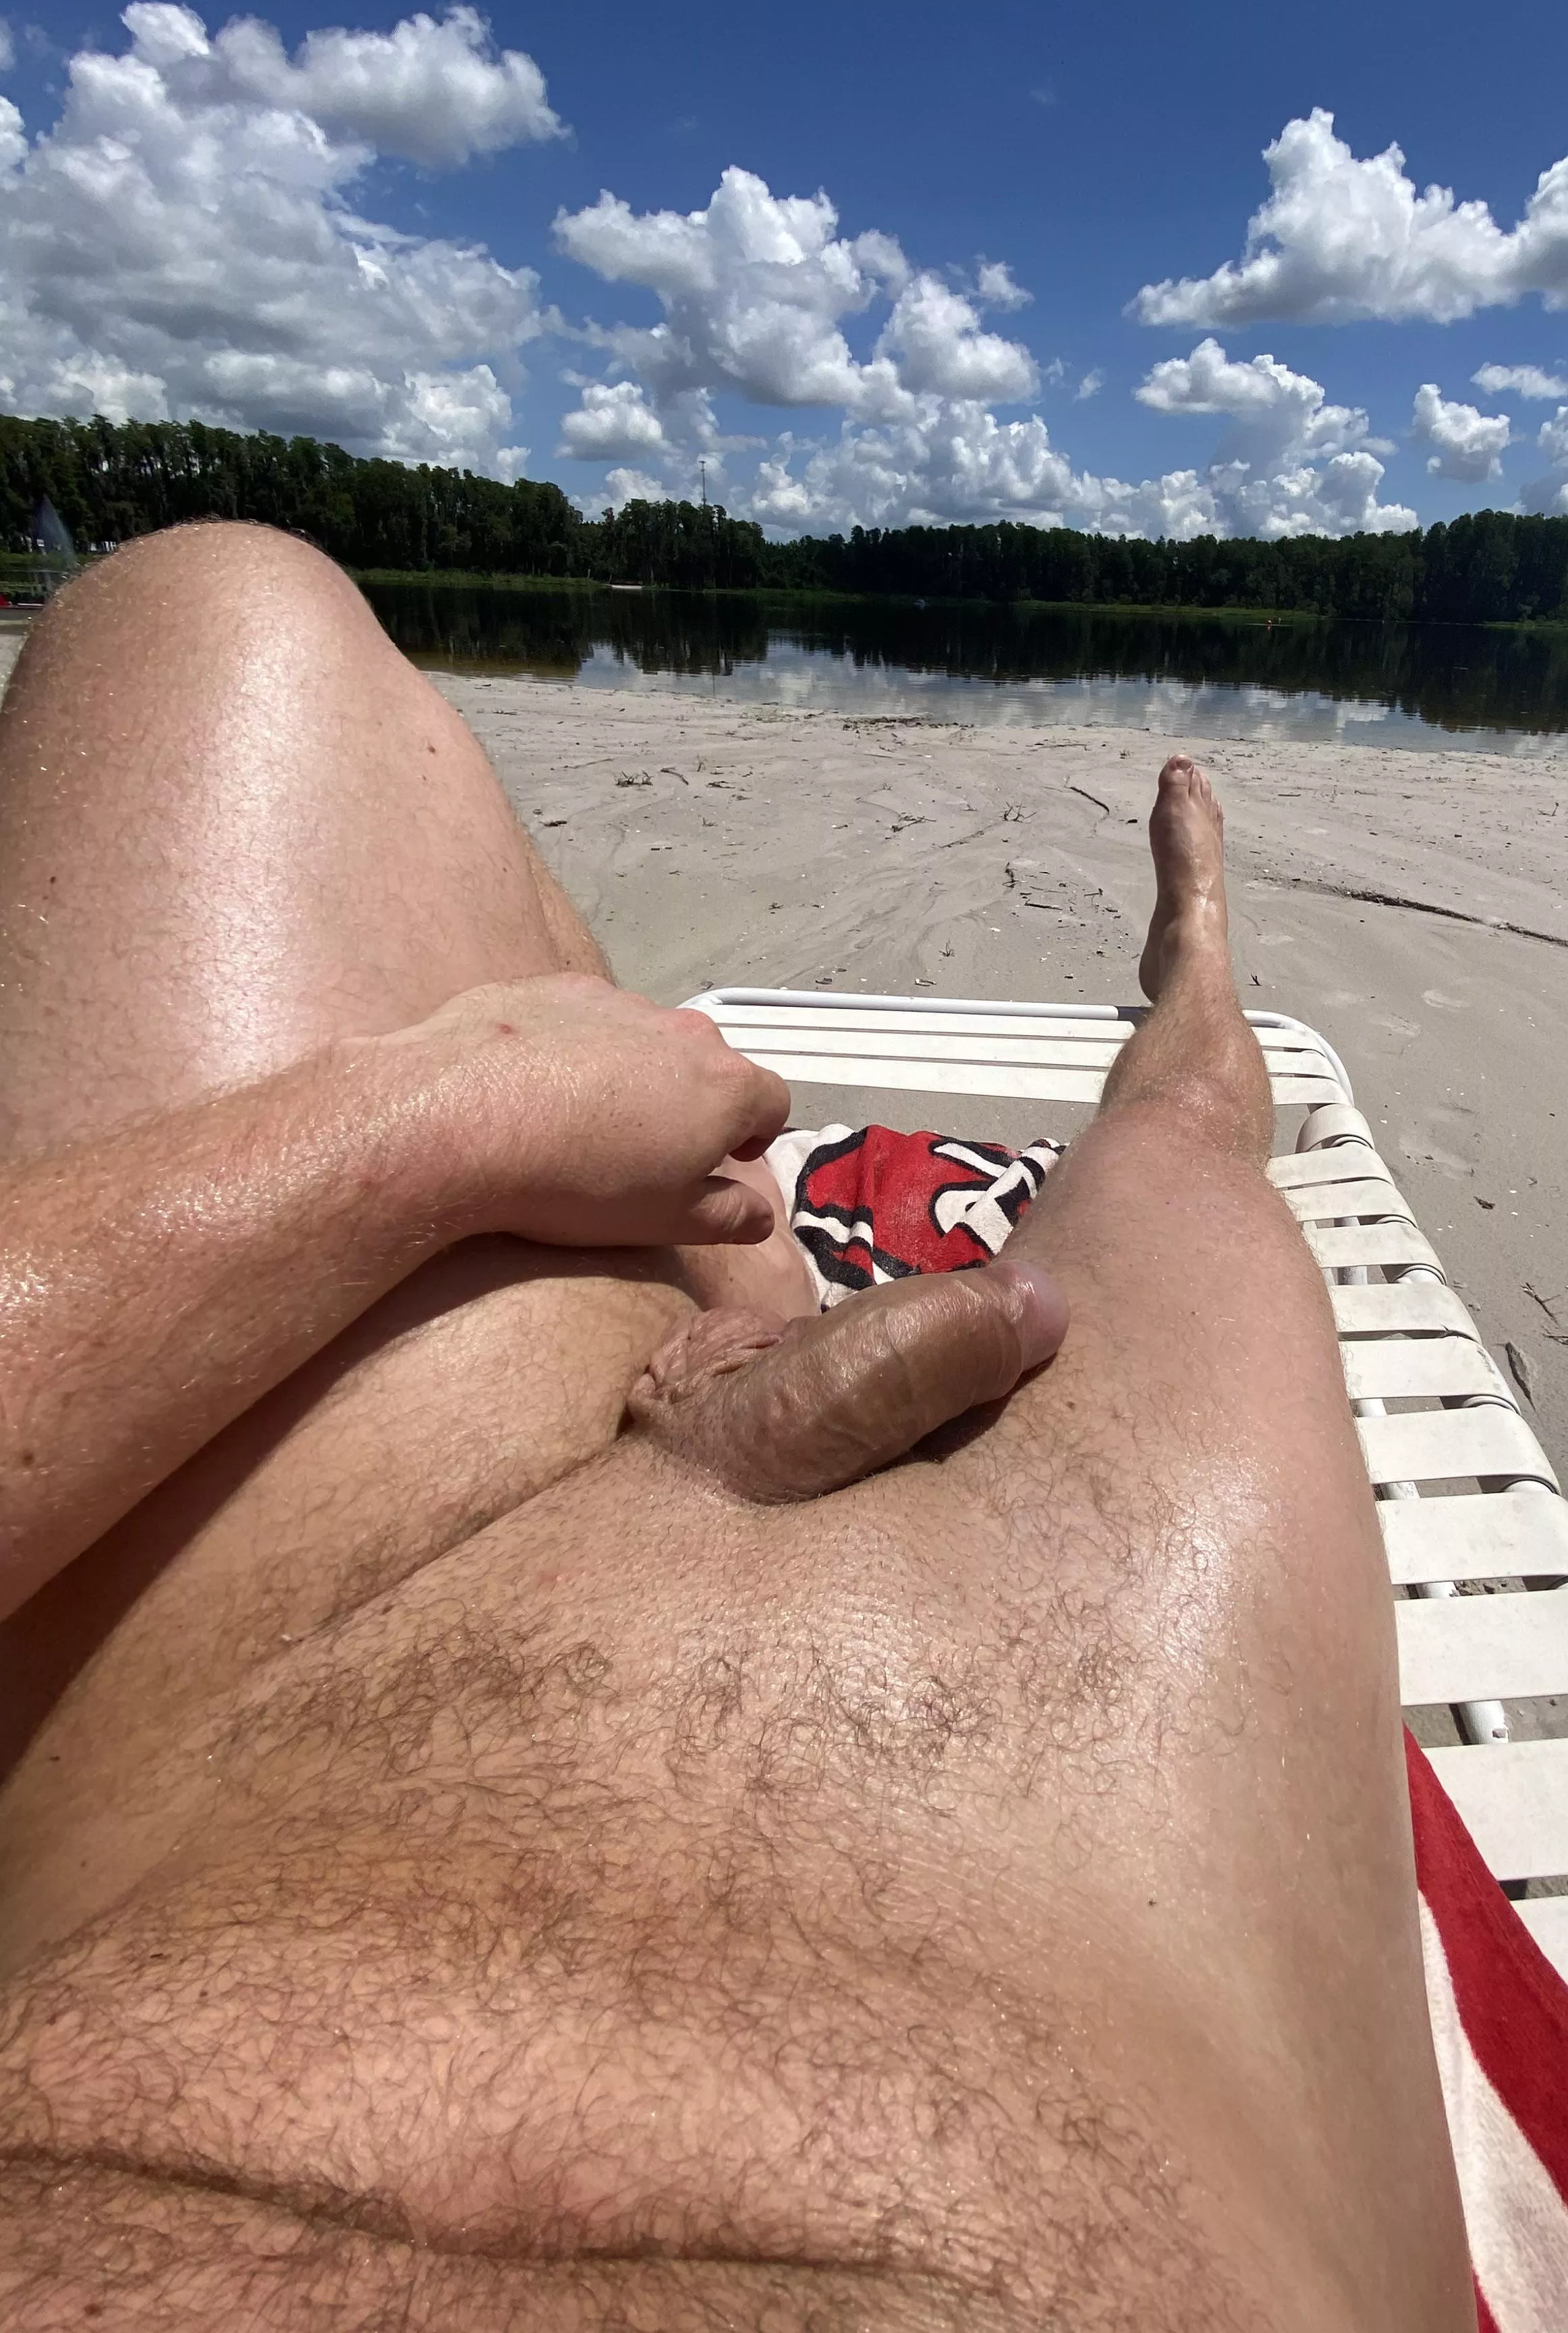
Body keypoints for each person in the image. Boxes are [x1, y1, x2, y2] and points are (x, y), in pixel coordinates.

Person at [0, 524, 1471, 2330]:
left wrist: (445, 1120)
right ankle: (1096, 1060)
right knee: (1173, 1155)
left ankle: (1083, 1026)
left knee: (210, 614)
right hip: (1083, 1809)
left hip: (284, 1668)